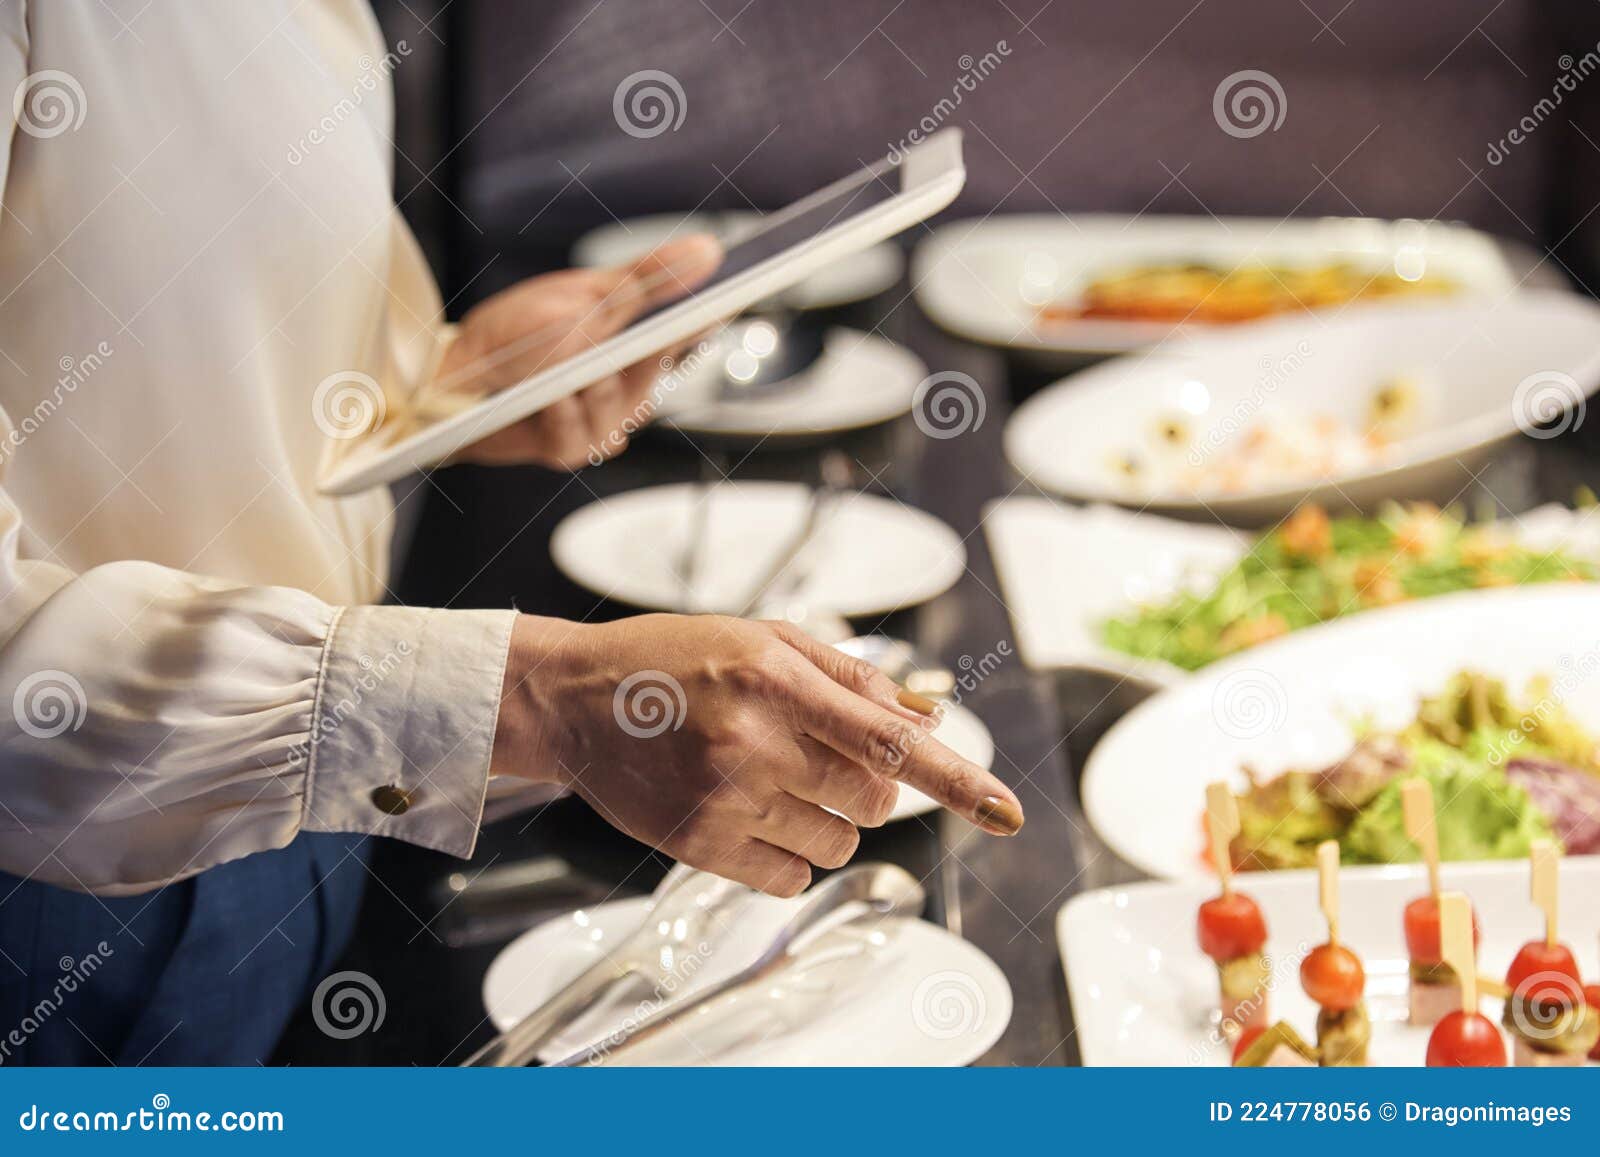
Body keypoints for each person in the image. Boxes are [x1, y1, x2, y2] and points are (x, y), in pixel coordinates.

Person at [0, 1, 1021, 1065]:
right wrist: (540, 699)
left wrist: (448, 381)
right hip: (58, 886)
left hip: (296, 816)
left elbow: (152, 340)